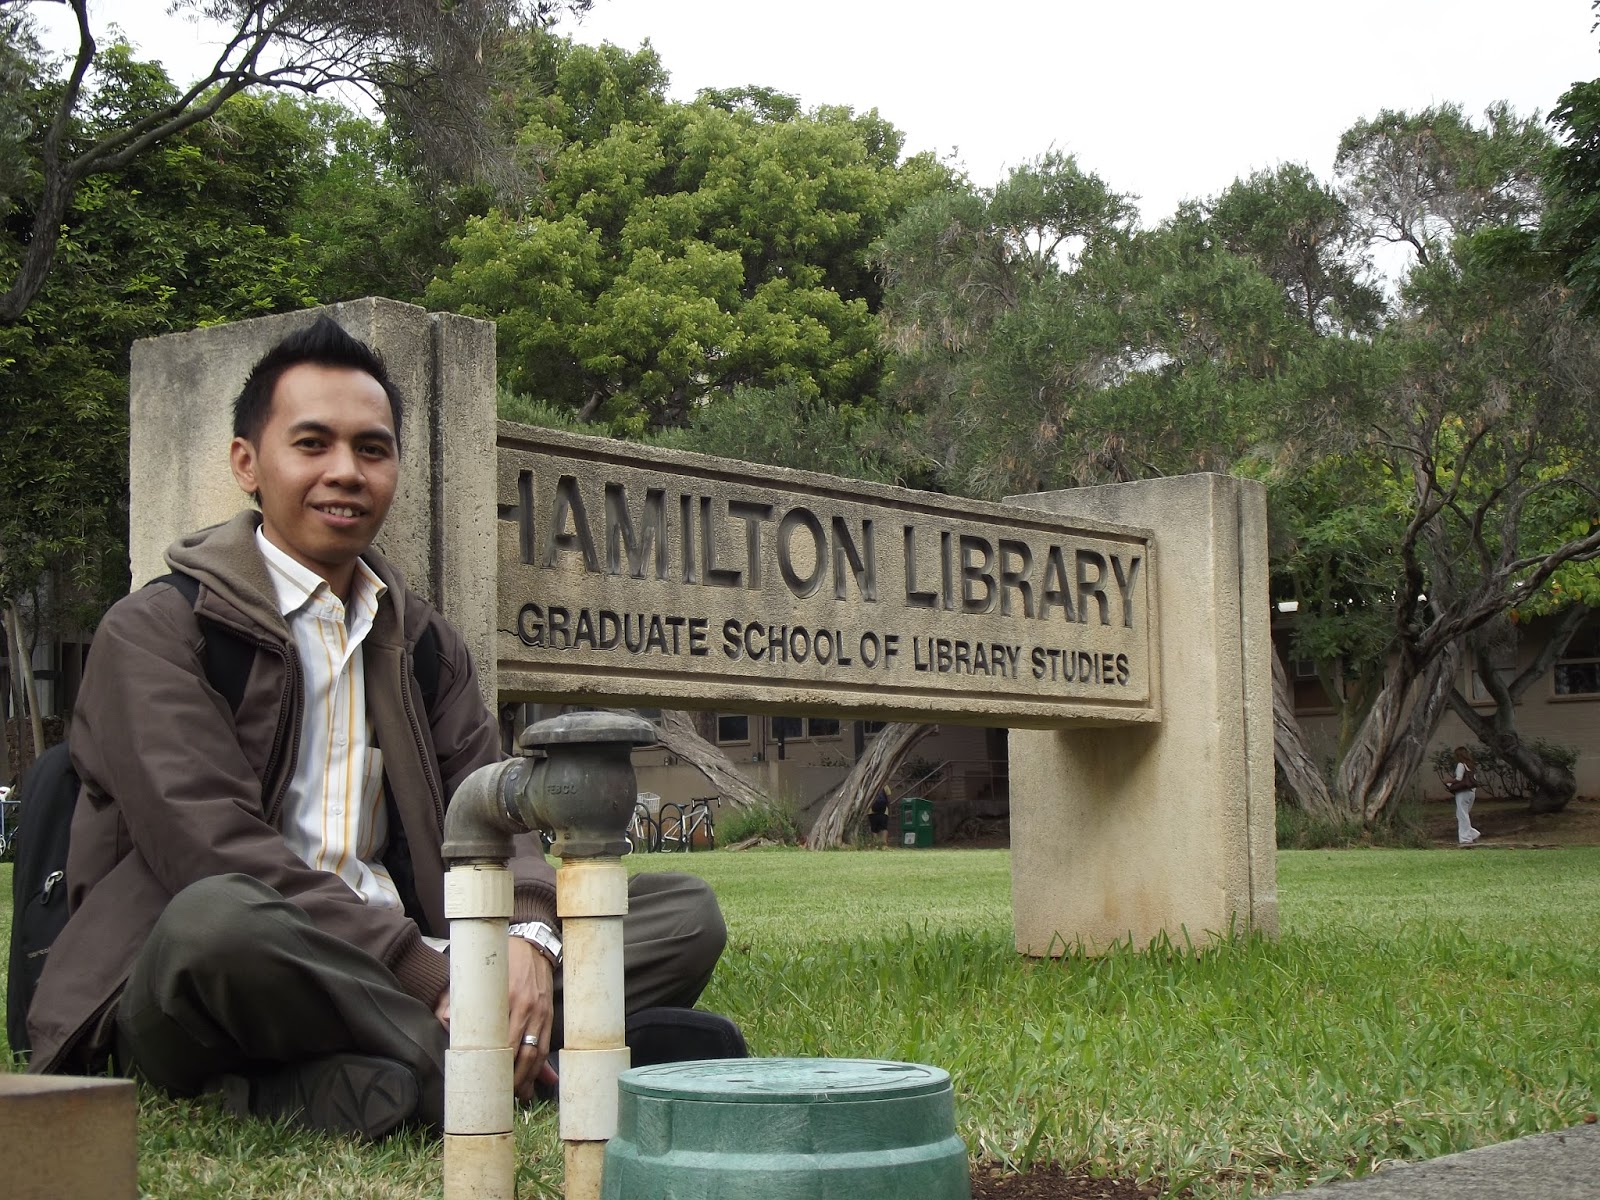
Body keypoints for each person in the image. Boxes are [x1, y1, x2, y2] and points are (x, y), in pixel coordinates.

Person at [26, 317, 726, 1140]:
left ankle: (368, 1079)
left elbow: (509, 808)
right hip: (227, 965)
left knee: (681, 913)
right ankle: (527, 1068)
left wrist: (530, 937)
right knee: (217, 922)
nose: (345, 473)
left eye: (372, 449)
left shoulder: (425, 645)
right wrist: (432, 973)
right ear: (247, 463)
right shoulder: (156, 632)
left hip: (422, 952)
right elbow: (208, 848)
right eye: (313, 444)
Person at [1452, 745, 1481, 845]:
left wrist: (1448, 781)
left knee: (1462, 815)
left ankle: (1465, 838)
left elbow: (1459, 778)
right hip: (1471, 793)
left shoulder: (1461, 765)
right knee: (1464, 814)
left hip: (1462, 792)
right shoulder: (1471, 766)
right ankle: (1473, 834)